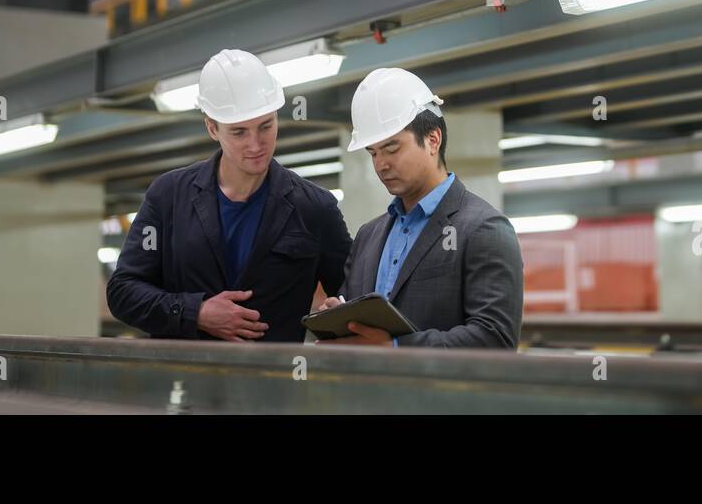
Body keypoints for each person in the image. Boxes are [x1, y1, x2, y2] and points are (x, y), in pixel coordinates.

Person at [107, 49, 351, 342]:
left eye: (266, 126)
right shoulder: (169, 197)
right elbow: (123, 291)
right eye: (239, 132)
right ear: (212, 127)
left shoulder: (315, 208)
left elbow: (352, 291)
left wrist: (338, 310)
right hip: (182, 380)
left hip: (273, 382)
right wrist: (195, 312)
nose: (255, 144)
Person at [316, 67, 522, 348]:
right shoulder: (368, 236)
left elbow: (495, 339)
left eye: (392, 148)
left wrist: (396, 347)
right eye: (373, 153)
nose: (381, 165)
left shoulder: (484, 229)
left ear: (432, 140)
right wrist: (339, 319)